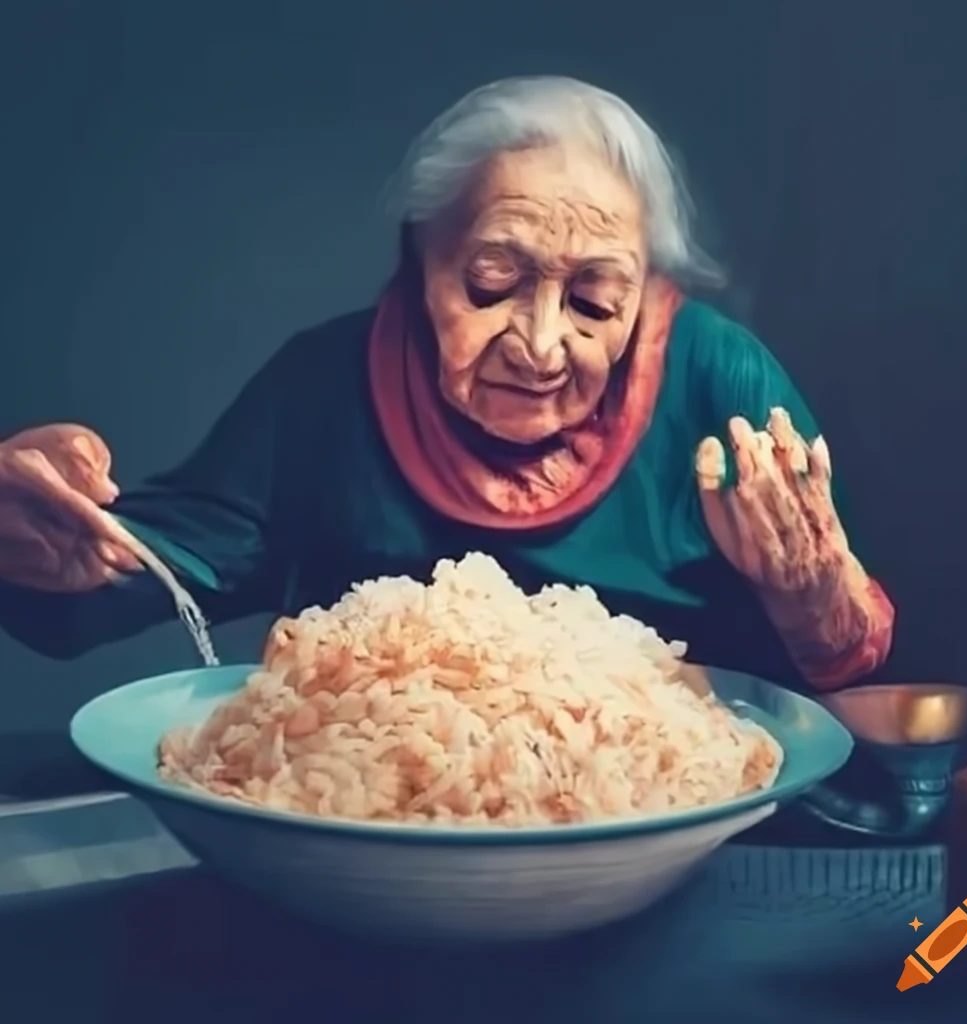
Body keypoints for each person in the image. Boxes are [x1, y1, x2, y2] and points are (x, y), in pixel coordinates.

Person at [0, 76, 894, 691]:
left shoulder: (719, 379)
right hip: (367, 856)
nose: (540, 347)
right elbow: (138, 569)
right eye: (492, 284)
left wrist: (812, 596)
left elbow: (855, 658)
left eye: (593, 301)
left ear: (647, 293)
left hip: (686, 856)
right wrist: (44, 541)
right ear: (420, 258)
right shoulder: (319, 389)